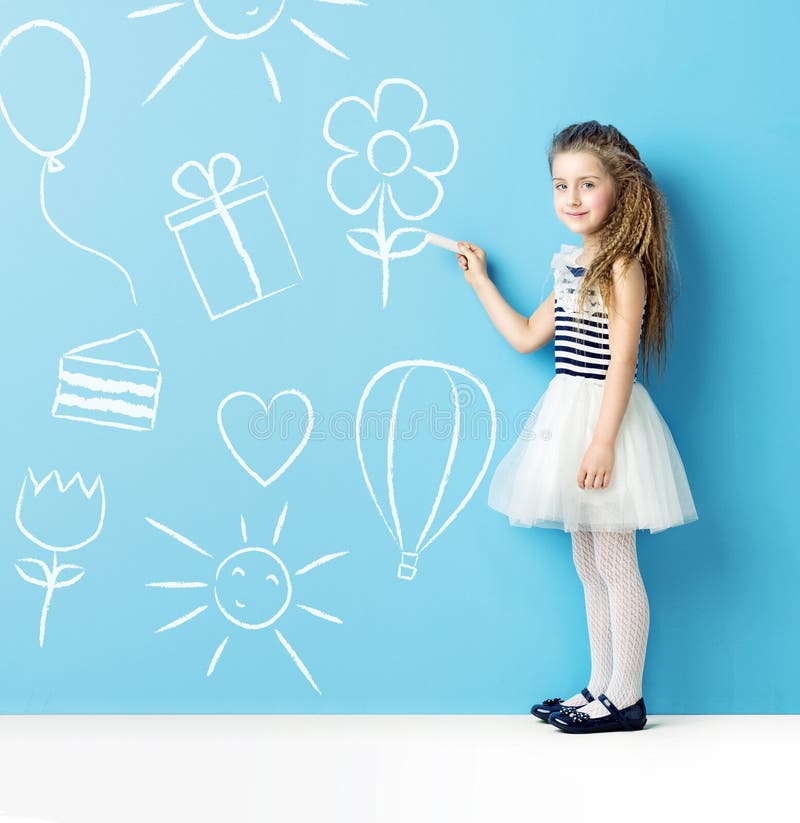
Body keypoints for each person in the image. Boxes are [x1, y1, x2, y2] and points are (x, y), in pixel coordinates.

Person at [456, 120, 698, 733]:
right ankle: (598, 687)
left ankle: (627, 697)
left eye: (587, 184)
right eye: (560, 184)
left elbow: (622, 364)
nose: (571, 198)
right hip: (567, 416)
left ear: (619, 189)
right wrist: (482, 283)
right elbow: (527, 337)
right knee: (589, 565)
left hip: (604, 423)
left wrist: (602, 440)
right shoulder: (572, 263)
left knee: (616, 563)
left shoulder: (623, 269)